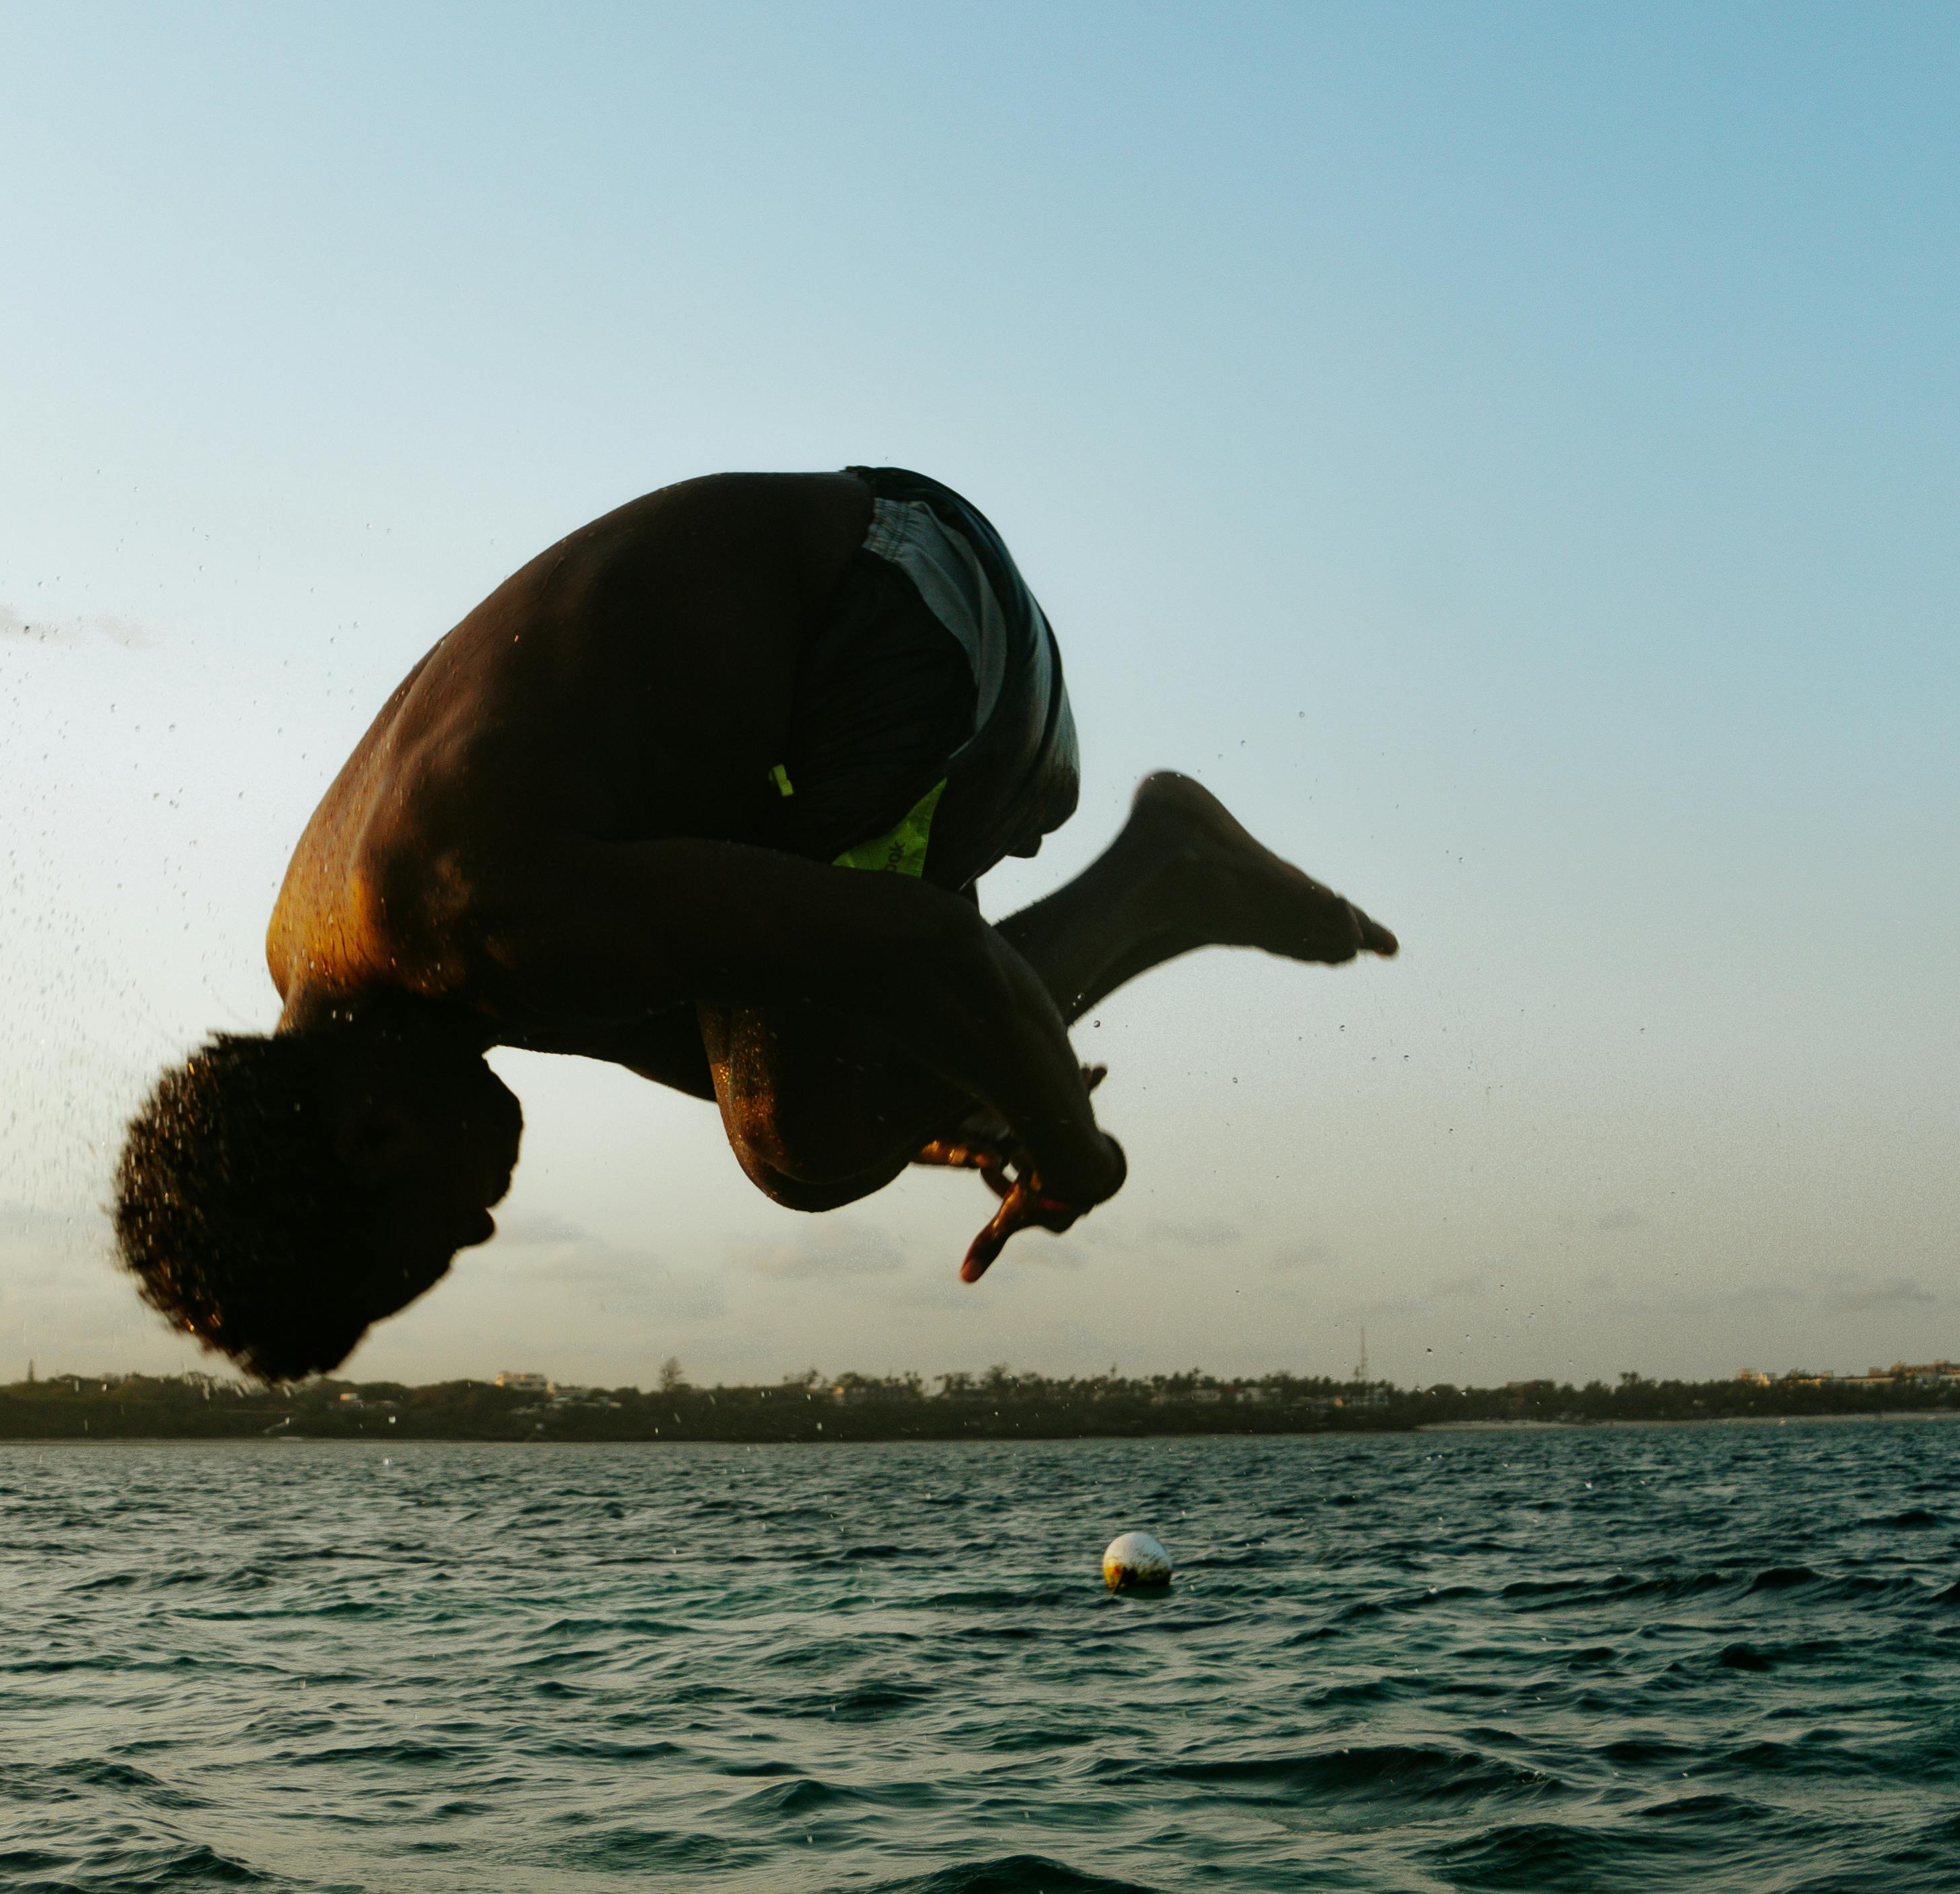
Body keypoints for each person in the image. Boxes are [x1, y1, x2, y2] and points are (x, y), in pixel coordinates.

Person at [113, 465, 1395, 1383]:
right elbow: (677, 1018)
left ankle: (1166, 875)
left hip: (914, 627)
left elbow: (931, 956)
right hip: (889, 597)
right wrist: (939, 1106)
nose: (482, 1232)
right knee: (826, 1108)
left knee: (804, 1143)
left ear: (371, 1132)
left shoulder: (476, 918)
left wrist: (1076, 1155)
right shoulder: (348, 959)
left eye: (429, 1251)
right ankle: (1144, 902)